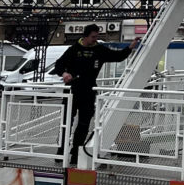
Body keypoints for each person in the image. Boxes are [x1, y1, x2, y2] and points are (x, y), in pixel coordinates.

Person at [50, 25, 139, 166]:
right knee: (66, 122)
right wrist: (64, 73)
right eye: (93, 37)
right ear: (85, 36)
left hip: (88, 91)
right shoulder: (74, 49)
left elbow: (118, 57)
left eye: (97, 36)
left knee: (84, 124)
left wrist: (130, 47)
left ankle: (75, 153)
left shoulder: (99, 50)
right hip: (72, 91)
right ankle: (61, 151)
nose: (95, 39)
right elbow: (59, 64)